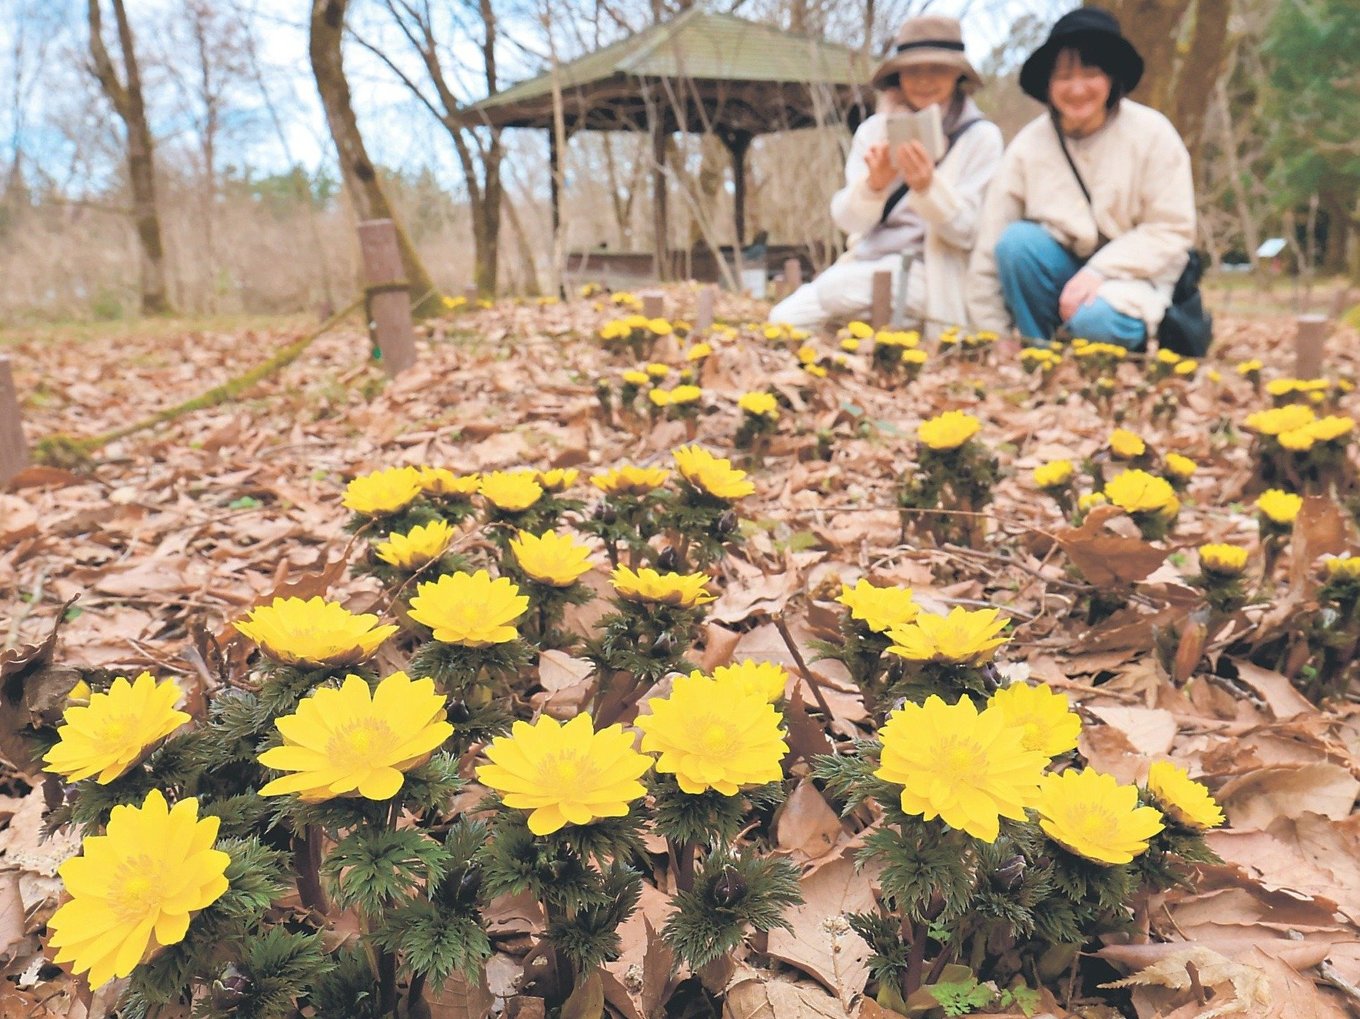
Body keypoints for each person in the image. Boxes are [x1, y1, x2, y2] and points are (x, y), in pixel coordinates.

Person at [966, 7, 1195, 351]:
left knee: (1095, 321)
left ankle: (1108, 354)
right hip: (1060, 273)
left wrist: (1098, 272)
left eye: (1090, 73)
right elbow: (990, 245)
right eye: (1063, 76)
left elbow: (1172, 230)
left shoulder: (1153, 134)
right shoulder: (1028, 146)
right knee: (1017, 243)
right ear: (1048, 85)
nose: (1076, 88)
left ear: (1112, 77)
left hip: (1133, 277)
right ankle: (1039, 354)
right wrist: (993, 334)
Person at [770, 15, 1003, 335]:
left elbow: (970, 233)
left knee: (838, 294)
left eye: (937, 68)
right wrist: (874, 186)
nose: (924, 80)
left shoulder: (981, 138)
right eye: (913, 70)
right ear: (899, 75)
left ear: (957, 73)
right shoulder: (873, 131)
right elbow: (849, 222)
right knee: (781, 323)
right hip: (865, 263)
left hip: (934, 273)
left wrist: (927, 188)